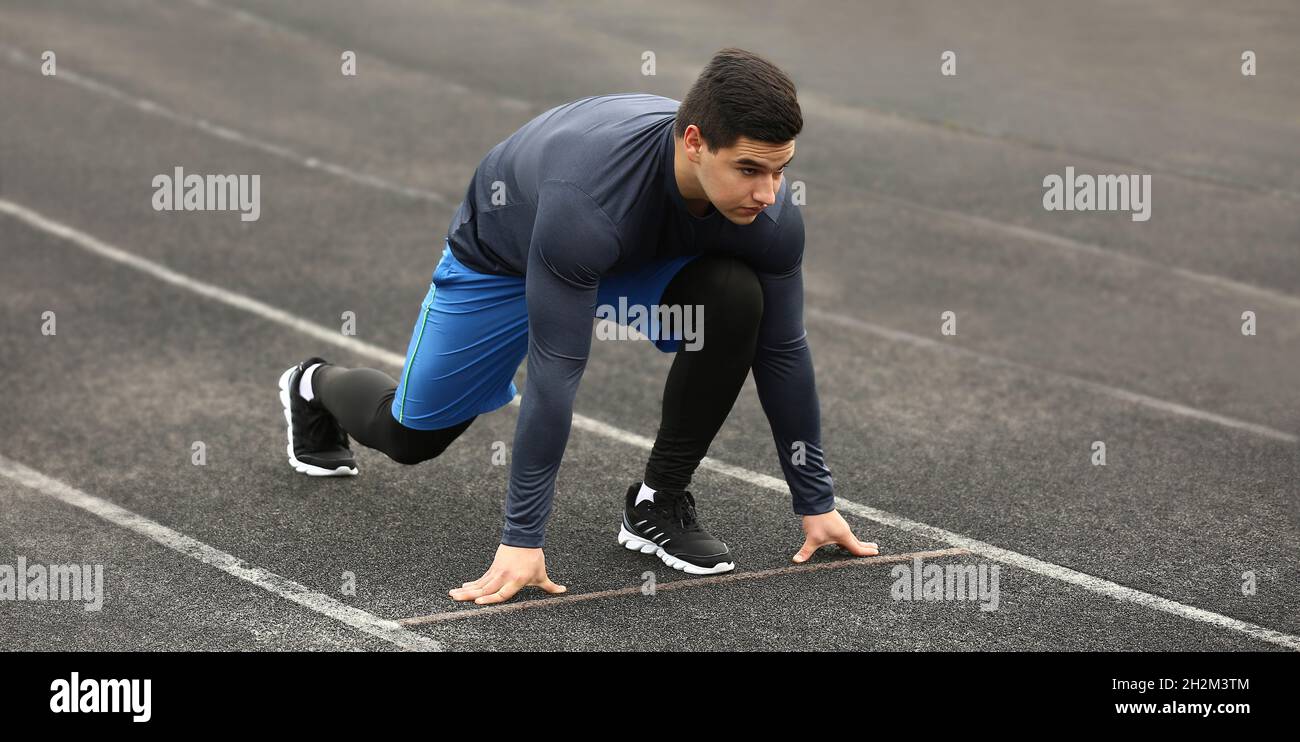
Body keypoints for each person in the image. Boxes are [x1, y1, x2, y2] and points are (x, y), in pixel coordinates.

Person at [277, 47, 879, 606]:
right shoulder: (587, 201)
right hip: (509, 258)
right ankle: (313, 383)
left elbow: (782, 351)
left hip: (639, 251)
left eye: (780, 171)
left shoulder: (769, 215)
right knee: (410, 437)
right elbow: (556, 371)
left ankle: (657, 501)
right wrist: (522, 538)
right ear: (694, 142)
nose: (768, 193)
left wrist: (814, 499)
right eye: (750, 169)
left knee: (735, 299)